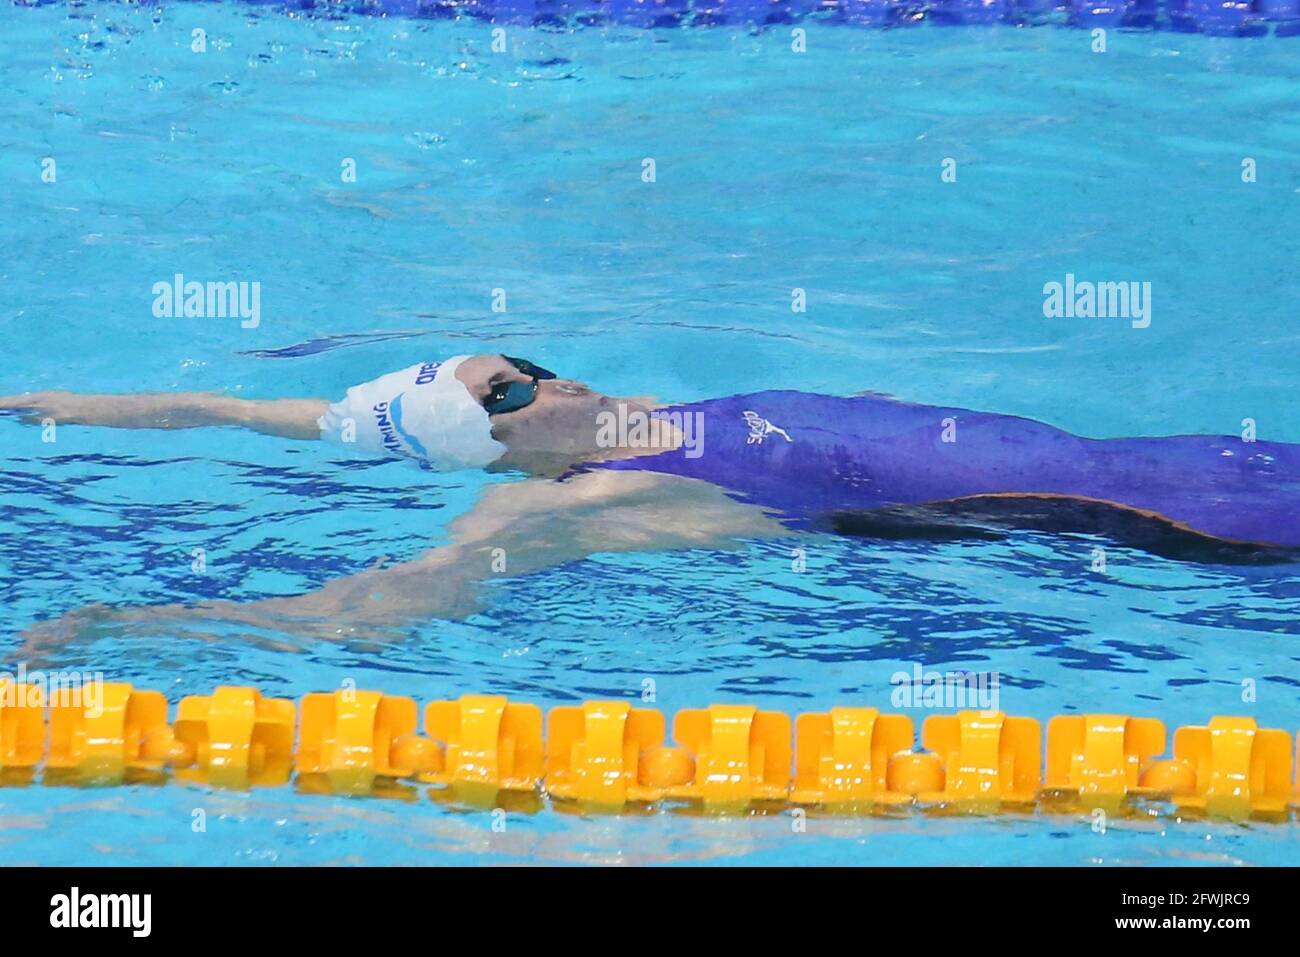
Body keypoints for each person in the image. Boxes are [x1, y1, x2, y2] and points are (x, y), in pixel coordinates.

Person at [3, 353, 1297, 649]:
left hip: (1191, 451)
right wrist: (123, 622)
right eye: (512, 384)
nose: (553, 372)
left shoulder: (615, 421)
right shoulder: (558, 501)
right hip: (1186, 533)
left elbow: (250, 411)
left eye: (524, 354)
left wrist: (48, 406)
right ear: (499, 438)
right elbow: (361, 616)